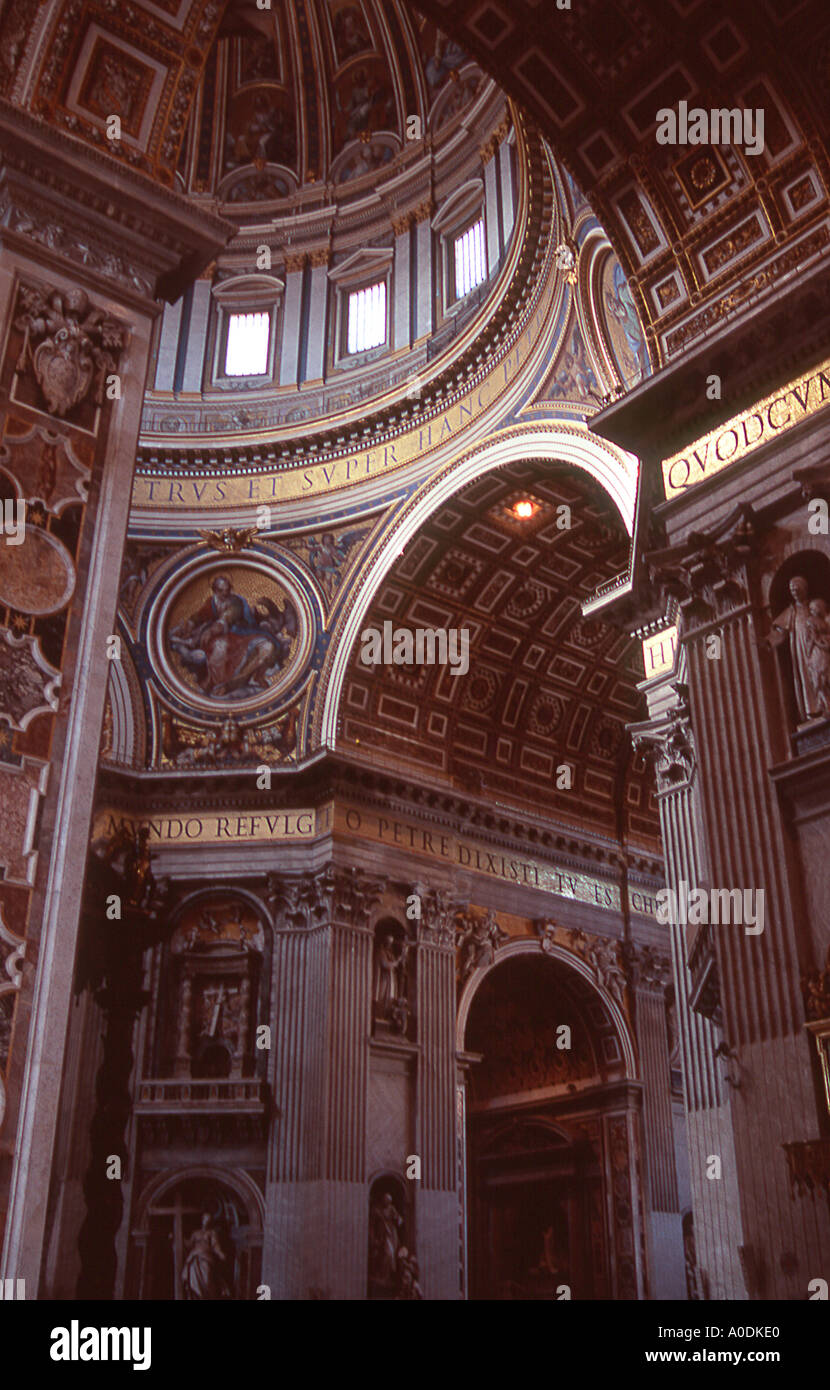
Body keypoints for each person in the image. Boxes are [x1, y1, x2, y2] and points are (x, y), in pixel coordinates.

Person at [772, 575, 821, 722]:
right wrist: (767, 640)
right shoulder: (792, 611)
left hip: (817, 644)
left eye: (797, 589)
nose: (795, 593)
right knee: (806, 675)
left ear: (804, 589)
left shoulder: (814, 605)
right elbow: (779, 630)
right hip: (801, 648)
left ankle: (825, 703)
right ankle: (812, 709)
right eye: (792, 591)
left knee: (820, 672)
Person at [181, 1213, 231, 1299]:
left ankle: (206, 1296)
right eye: (205, 1219)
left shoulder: (212, 1233)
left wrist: (220, 1254)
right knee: (193, 1278)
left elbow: (215, 1246)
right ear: (202, 1220)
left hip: (206, 1259)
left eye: (209, 1220)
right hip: (195, 1258)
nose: (207, 1221)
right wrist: (180, 1238)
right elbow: (189, 1244)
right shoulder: (196, 1233)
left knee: (207, 1279)